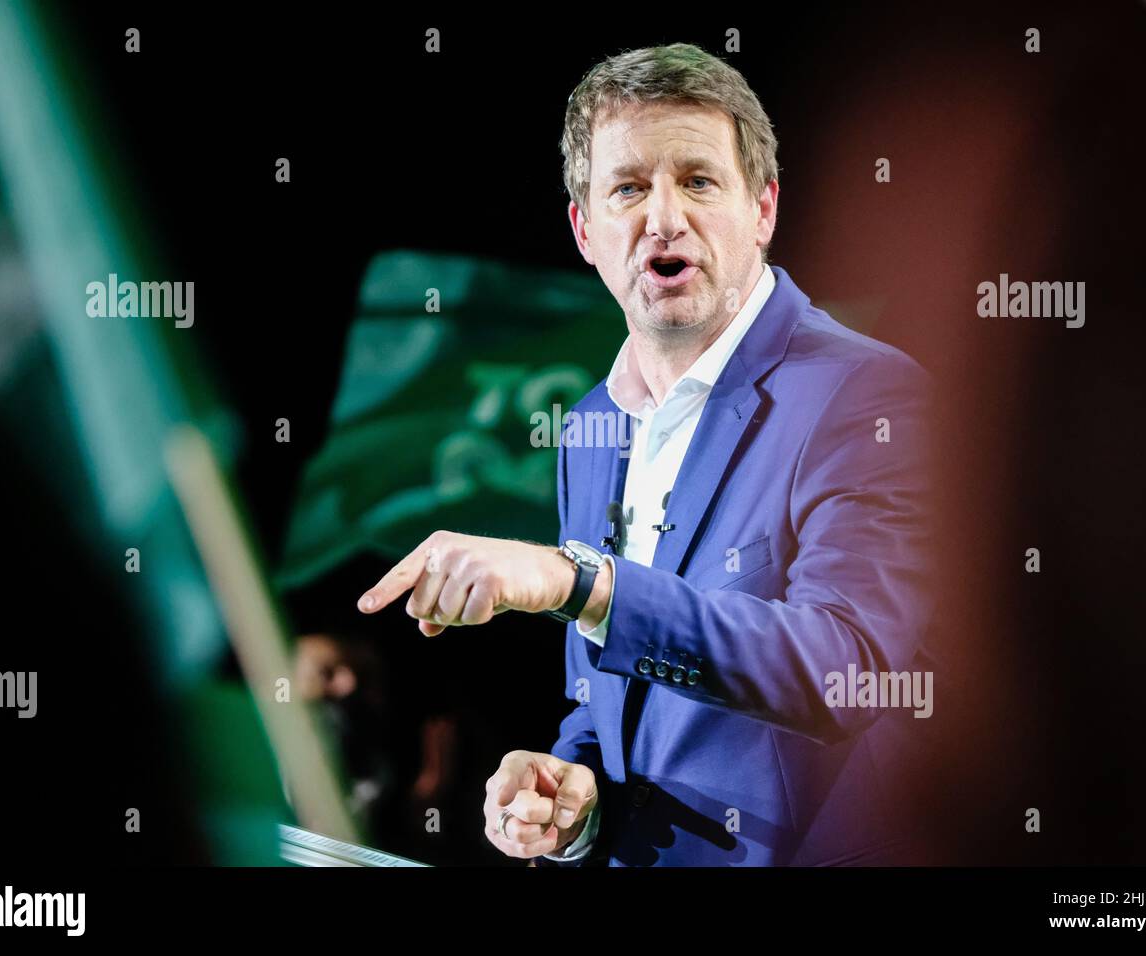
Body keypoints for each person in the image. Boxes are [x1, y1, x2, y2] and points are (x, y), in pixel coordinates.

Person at [358, 42, 936, 865]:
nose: (664, 217)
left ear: (763, 208)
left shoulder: (864, 396)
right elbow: (606, 699)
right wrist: (576, 792)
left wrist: (576, 581)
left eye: (698, 180)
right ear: (585, 230)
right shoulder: (591, 427)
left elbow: (847, 666)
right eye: (629, 188)